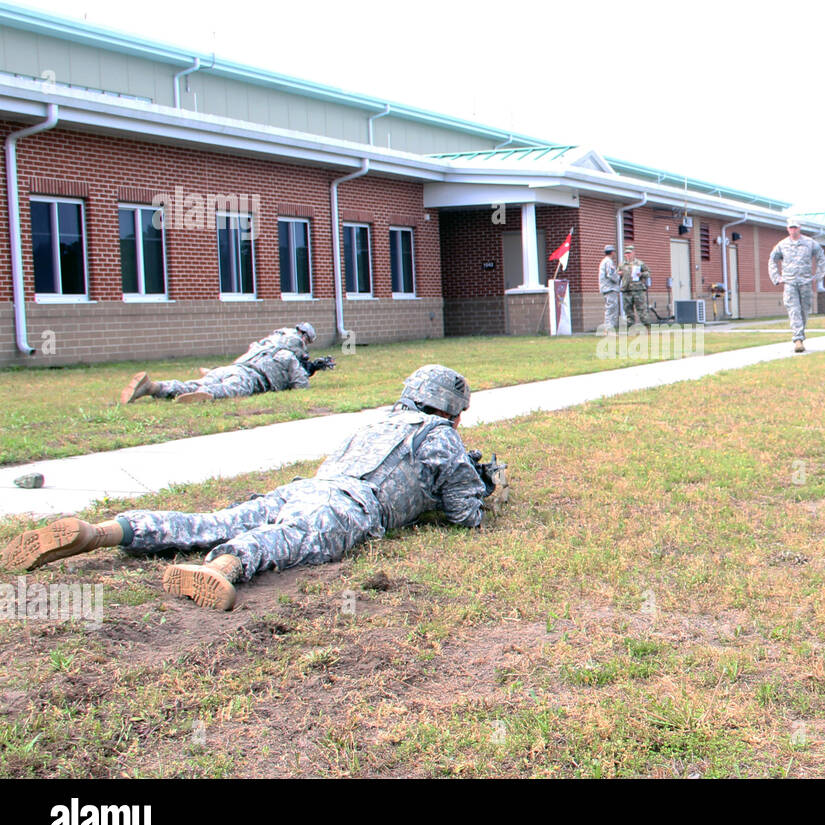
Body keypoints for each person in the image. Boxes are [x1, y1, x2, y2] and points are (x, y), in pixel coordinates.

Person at [6, 366, 507, 611]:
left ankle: (103, 532)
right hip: (351, 504)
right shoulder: (441, 437)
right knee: (292, 540)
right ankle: (225, 567)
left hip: (306, 486)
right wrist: (486, 488)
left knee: (213, 520)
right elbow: (466, 516)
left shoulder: (379, 421)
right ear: (452, 409)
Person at [121, 322, 334, 404]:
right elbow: (301, 386)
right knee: (225, 390)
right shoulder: (287, 356)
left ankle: (154, 386)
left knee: (197, 382)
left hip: (231, 368)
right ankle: (203, 398)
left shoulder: (259, 345)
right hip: (252, 378)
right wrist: (309, 369)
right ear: (302, 341)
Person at [767, 217, 825, 352]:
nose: (793, 230)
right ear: (788, 229)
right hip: (789, 283)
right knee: (794, 310)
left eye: (795, 227)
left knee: (804, 311)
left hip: (805, 283)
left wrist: (818, 276)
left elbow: (821, 258)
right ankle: (798, 339)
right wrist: (777, 277)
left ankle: (800, 335)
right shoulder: (782, 245)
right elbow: (772, 260)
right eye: (791, 227)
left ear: (800, 228)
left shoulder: (810, 243)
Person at [619, 244, 653, 330]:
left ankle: (647, 328)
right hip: (627, 290)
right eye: (626, 253)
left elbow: (648, 272)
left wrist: (641, 274)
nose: (627, 255)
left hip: (638, 290)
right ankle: (631, 329)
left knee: (642, 310)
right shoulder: (622, 264)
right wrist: (619, 274)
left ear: (633, 253)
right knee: (628, 311)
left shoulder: (639, 263)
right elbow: (617, 274)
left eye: (629, 253)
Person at [598, 244, 621, 334]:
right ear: (612, 252)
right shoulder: (609, 262)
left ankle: (608, 329)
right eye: (614, 252)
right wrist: (618, 276)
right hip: (610, 288)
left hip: (606, 288)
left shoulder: (604, 261)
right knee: (611, 309)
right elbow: (610, 275)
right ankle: (608, 329)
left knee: (610, 309)